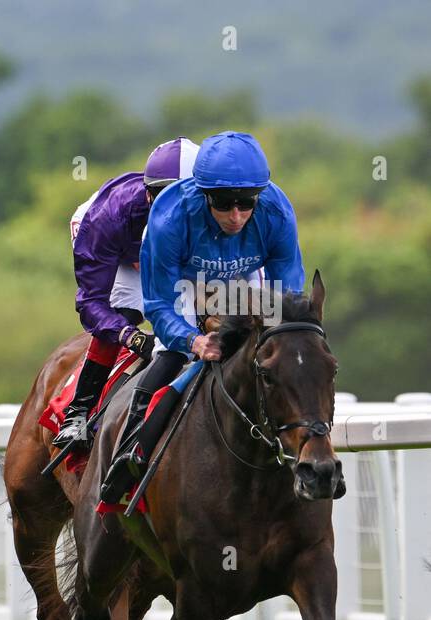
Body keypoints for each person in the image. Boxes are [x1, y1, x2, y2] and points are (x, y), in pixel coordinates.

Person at [100, 130, 305, 503]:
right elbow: (160, 305)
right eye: (224, 203)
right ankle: (133, 448)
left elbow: (286, 294)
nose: (237, 215)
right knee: (176, 354)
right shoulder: (169, 218)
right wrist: (193, 339)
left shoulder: (276, 212)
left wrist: (277, 331)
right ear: (202, 193)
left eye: (246, 203)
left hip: (242, 276)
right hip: (180, 280)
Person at [53, 137, 200, 451]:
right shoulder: (107, 220)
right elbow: (91, 304)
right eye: (163, 197)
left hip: (161, 250)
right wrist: (132, 337)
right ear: (148, 194)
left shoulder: (219, 210)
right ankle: (78, 412)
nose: (173, 209)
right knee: (124, 310)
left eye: (185, 199)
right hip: (121, 247)